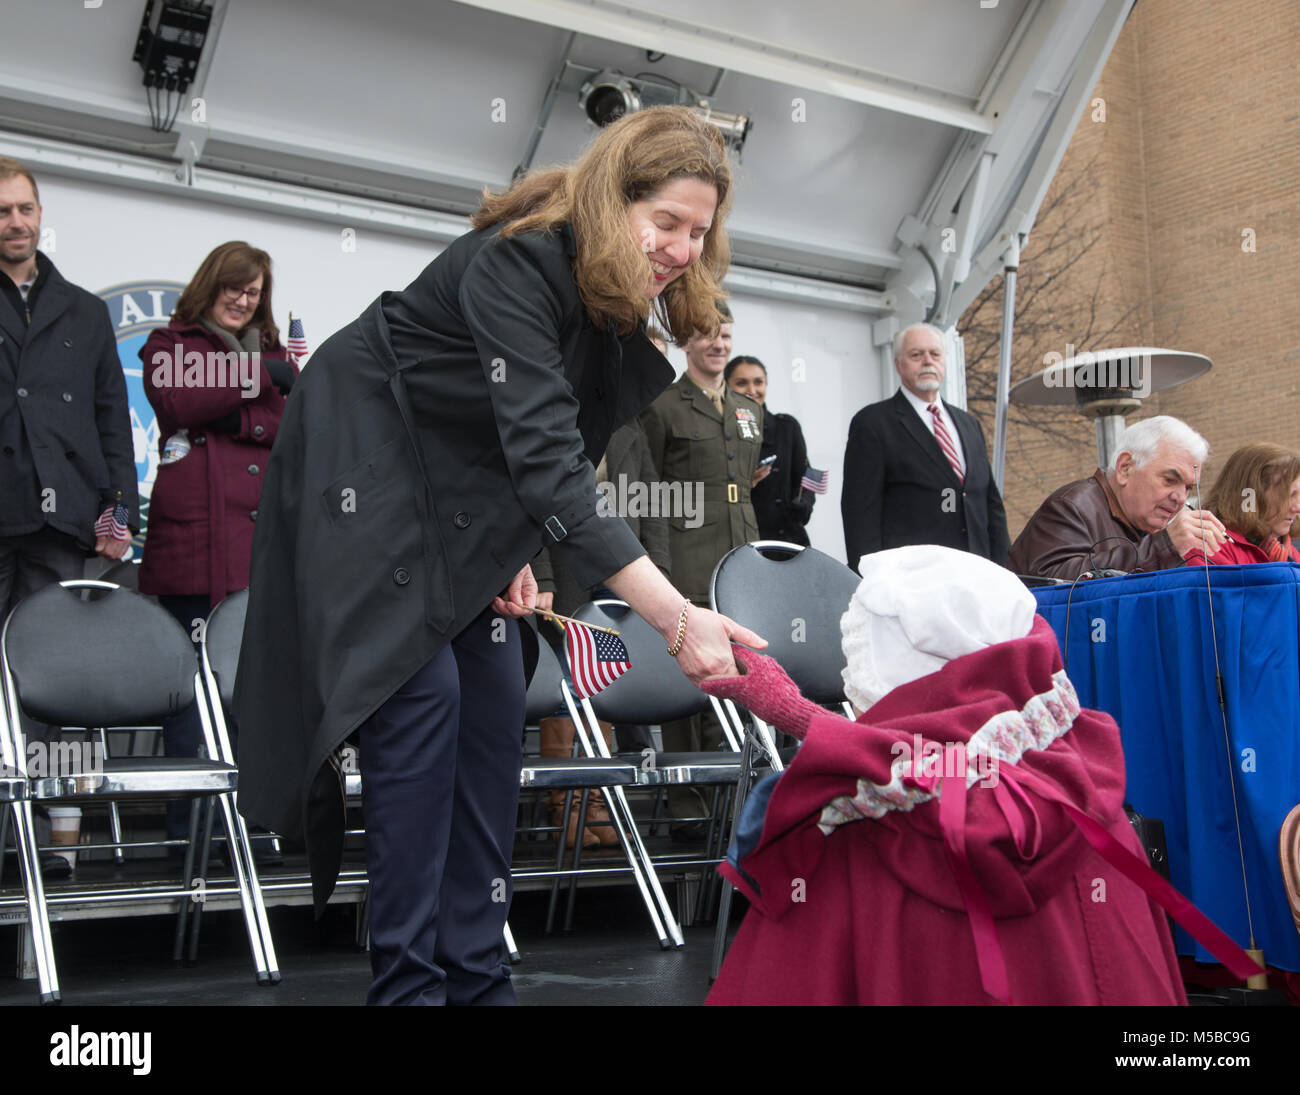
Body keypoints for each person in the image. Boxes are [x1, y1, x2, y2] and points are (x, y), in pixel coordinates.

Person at [233, 106, 765, 1006]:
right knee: (422, 695)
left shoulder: (609, 302)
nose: (681, 248)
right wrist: (676, 617)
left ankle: (478, 978)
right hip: (363, 455)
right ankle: (408, 987)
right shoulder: (521, 260)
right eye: (666, 222)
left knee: (489, 698)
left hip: (455, 491)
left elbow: (535, 452)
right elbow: (553, 466)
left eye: (699, 232)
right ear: (614, 201)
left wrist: (508, 545)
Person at [697, 546, 1258, 1004]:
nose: (849, 672)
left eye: (861, 653)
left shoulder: (858, 837)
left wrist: (804, 718)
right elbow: (945, 755)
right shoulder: (1087, 796)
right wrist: (803, 716)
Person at [0, 158, 137, 878]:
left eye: (24, 208)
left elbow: (113, 419)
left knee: (57, 674)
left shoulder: (85, 310)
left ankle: (62, 827)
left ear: (40, 213)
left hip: (60, 517)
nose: (16, 222)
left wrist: (120, 507)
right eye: (2, 212)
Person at [139, 241, 296, 846]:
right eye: (233, 286)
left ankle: (254, 822)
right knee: (192, 692)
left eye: (254, 291)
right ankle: (190, 829)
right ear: (210, 285)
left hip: (261, 553)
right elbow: (178, 400)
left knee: (255, 691)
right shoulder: (167, 343)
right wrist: (257, 383)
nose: (242, 298)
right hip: (194, 554)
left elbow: (291, 424)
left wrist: (234, 418)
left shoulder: (278, 349)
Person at [640, 302, 764, 835]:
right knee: (691, 676)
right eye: (708, 335)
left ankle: (737, 793)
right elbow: (649, 490)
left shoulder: (746, 407)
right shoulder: (664, 406)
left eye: (726, 334)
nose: (718, 343)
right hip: (686, 557)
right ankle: (686, 800)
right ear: (686, 343)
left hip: (741, 557)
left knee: (739, 670)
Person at [531, 412, 671, 847]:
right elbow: (529, 502)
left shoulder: (630, 426)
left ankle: (595, 803)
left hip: (619, 572)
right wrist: (543, 578)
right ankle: (565, 808)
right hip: (561, 568)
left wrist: (659, 578)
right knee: (563, 691)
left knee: (605, 684)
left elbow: (652, 504)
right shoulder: (548, 418)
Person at [841, 322, 1008, 572]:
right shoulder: (873, 424)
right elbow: (860, 514)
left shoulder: (969, 424)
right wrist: (869, 580)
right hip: (914, 581)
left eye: (935, 354)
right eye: (916, 355)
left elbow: (990, 504)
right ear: (898, 364)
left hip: (977, 575)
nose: (927, 361)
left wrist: (1005, 569)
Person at [1008, 415, 1226, 579]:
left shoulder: (1146, 524)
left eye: (1188, 488)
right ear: (1125, 468)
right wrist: (1162, 547)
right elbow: (1057, 585)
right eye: (1169, 480)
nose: (1180, 498)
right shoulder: (1072, 506)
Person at [725, 355, 815, 545]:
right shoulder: (721, 432)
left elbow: (806, 478)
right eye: (741, 383)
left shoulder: (787, 428)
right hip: (742, 540)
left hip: (787, 540)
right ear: (726, 386)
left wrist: (803, 505)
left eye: (759, 382)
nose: (752, 390)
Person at [1183, 442, 1300, 565]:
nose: (1297, 507)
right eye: (1288, 495)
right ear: (1252, 495)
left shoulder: (1286, 552)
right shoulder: (1208, 547)